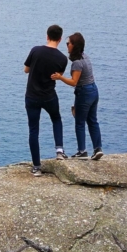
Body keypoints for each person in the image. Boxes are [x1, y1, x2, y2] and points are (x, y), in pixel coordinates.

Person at [24, 24, 69, 176]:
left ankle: (37, 167)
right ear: (60, 39)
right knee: (56, 119)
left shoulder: (35, 50)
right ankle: (59, 151)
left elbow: (26, 69)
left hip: (32, 96)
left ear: (47, 36)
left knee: (33, 130)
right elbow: (58, 74)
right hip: (49, 95)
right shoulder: (62, 58)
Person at [51, 32, 103, 160]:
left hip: (84, 92)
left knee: (79, 122)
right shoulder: (86, 57)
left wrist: (60, 77)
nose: (67, 45)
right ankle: (98, 148)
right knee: (92, 120)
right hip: (93, 90)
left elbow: (74, 82)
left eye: (68, 43)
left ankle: (82, 151)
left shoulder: (77, 63)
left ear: (74, 45)